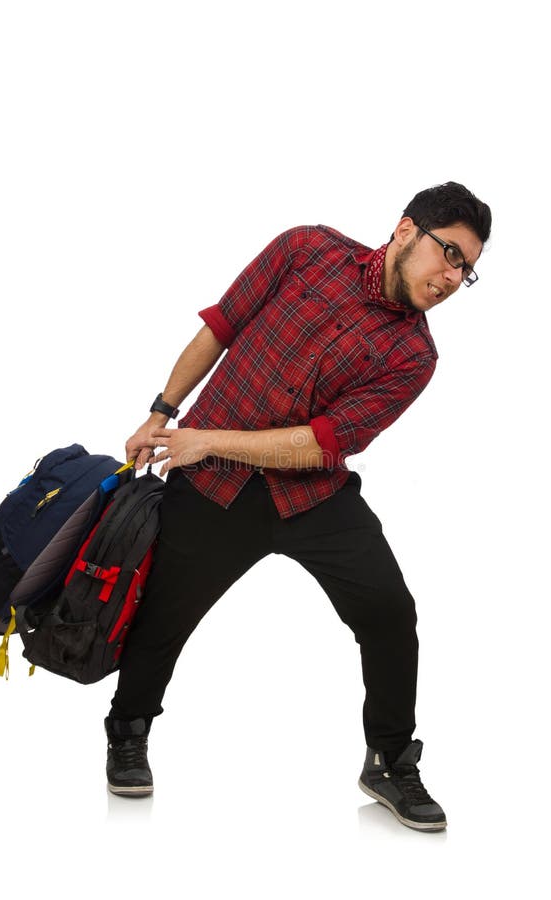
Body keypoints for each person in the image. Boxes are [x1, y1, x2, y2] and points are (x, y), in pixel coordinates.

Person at [104, 181, 491, 832]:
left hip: (311, 495)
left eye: (467, 270)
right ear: (404, 231)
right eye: (449, 253)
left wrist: (203, 438)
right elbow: (218, 328)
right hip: (211, 487)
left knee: (389, 613)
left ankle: (391, 762)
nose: (454, 277)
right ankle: (128, 728)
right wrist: (163, 412)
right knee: (162, 615)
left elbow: (319, 446)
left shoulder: (414, 357)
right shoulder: (305, 250)